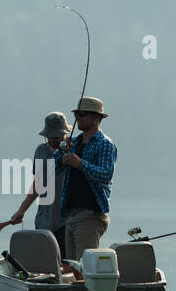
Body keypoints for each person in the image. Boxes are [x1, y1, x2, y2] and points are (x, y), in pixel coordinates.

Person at [58, 96, 116, 261]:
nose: (78, 118)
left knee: (84, 268)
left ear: (97, 117)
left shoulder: (105, 144)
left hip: (90, 215)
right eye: (77, 114)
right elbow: (53, 167)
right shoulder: (74, 143)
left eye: (83, 114)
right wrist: (62, 149)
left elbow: (105, 175)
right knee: (71, 267)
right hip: (70, 215)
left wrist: (81, 163)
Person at [9, 112, 71, 252]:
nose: (53, 140)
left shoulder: (73, 150)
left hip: (66, 222)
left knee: (67, 265)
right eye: (50, 137)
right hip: (44, 221)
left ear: (65, 134)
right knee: (45, 262)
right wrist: (21, 210)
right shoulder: (40, 151)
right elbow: (38, 184)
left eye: (57, 136)